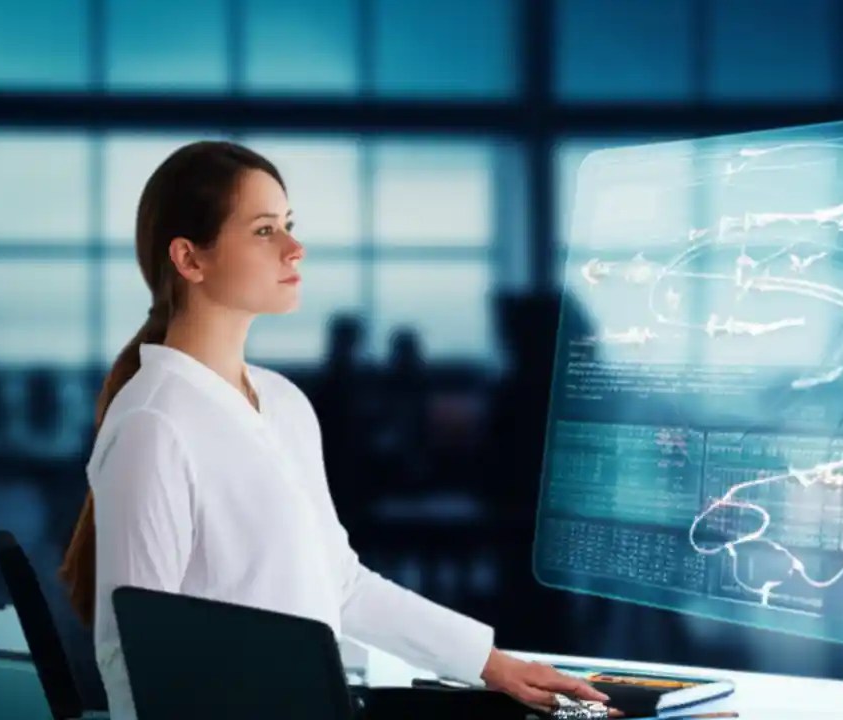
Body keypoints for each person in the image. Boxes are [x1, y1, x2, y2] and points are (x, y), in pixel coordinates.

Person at [56, 141, 609, 719]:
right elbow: (132, 657)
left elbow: (342, 585)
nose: (295, 249)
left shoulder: (284, 403)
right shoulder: (154, 424)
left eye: (289, 225)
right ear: (190, 260)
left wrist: (492, 664)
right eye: (265, 231)